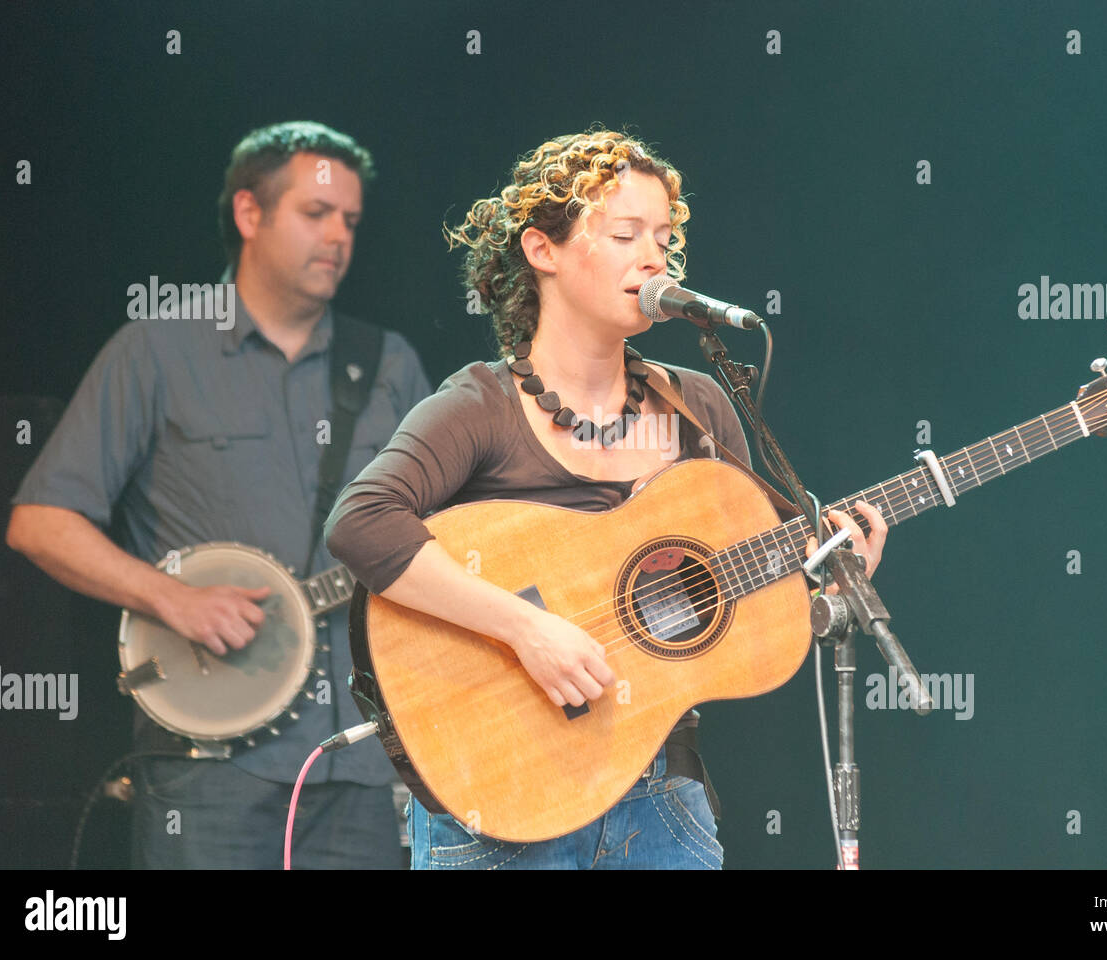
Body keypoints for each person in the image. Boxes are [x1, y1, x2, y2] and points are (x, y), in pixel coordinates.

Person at [324, 127, 887, 869]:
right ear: (542, 250)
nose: (654, 257)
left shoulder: (702, 407)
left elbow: (740, 608)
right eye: (624, 233)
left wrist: (825, 568)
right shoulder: (478, 404)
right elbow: (361, 523)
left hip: (661, 802)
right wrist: (527, 629)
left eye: (664, 238)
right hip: (501, 804)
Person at [5, 121, 433, 869]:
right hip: (209, 767)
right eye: (316, 213)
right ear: (249, 214)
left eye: (351, 221)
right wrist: (170, 598)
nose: (338, 236)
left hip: (365, 767)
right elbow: (41, 521)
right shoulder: (156, 350)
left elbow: (443, 535)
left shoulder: (388, 364)